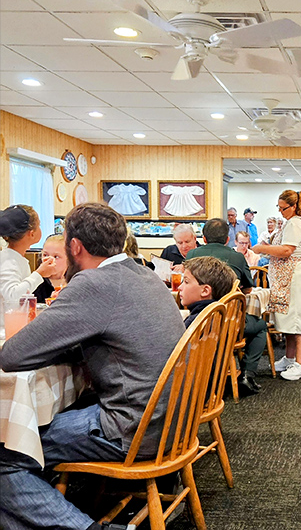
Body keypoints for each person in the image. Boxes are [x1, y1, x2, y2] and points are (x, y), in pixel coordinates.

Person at [0, 202, 185, 530]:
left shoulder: (95, 284)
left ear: (74, 246)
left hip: (132, 429)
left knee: (8, 451)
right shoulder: (143, 273)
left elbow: (12, 356)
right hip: (173, 421)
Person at [186, 218, 268, 394]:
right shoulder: (237, 257)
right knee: (260, 326)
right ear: (227, 239)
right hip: (228, 322)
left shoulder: (191, 255)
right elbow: (247, 289)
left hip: (198, 322)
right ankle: (247, 374)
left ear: (204, 238)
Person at [252, 190, 301, 381]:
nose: (280, 212)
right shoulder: (290, 222)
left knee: (299, 319)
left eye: (283, 208)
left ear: (294, 206)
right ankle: (290, 358)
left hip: (296, 278)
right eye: (278, 208)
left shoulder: (296, 223)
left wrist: (261, 248)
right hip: (289, 277)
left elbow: (287, 250)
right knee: (289, 319)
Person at [0, 205, 59, 337]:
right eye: (39, 225)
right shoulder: (8, 261)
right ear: (32, 233)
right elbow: (12, 297)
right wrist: (39, 274)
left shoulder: (14, 258)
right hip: (5, 335)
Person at [34, 234, 68, 303]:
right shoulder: (36, 283)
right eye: (45, 255)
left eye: (56, 257)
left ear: (69, 259)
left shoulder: (75, 281)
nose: (49, 260)